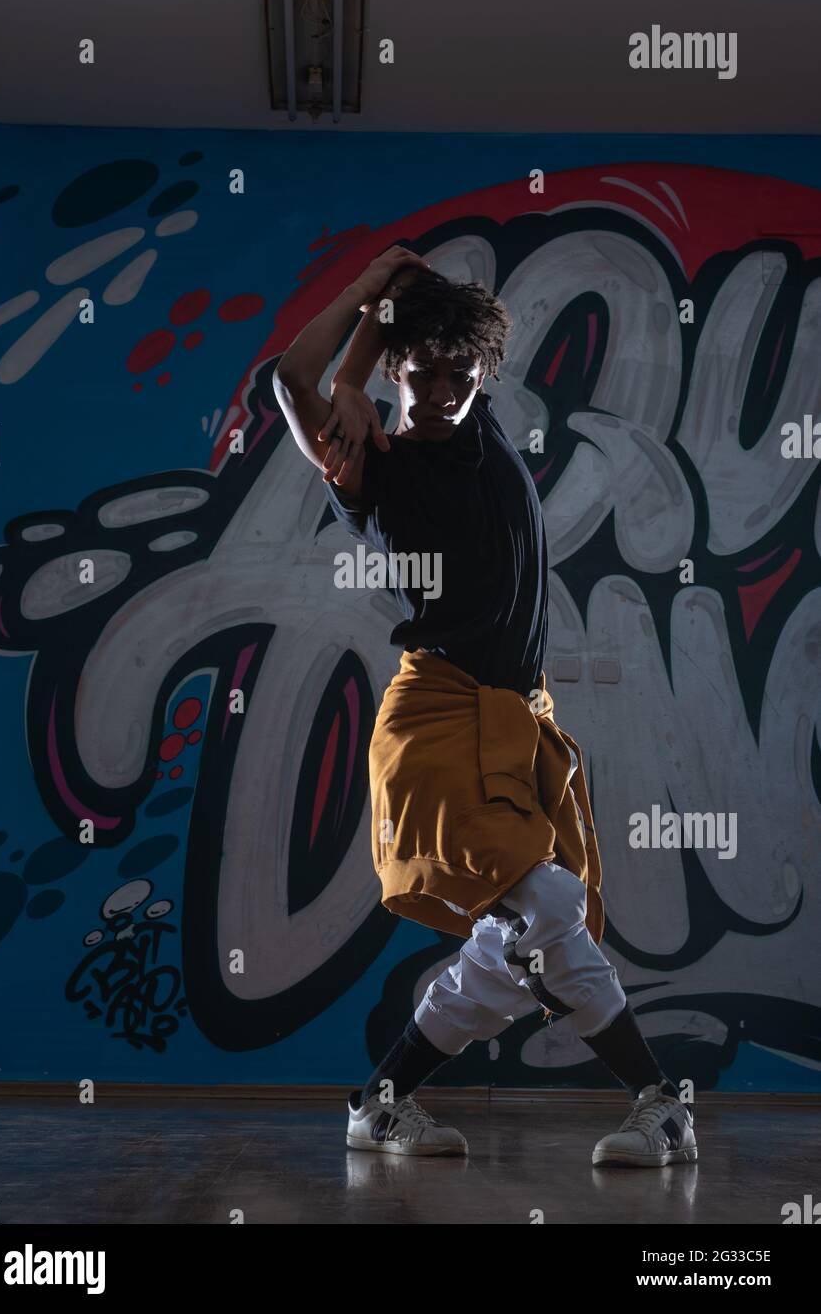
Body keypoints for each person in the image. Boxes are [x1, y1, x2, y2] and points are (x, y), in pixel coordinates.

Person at [273, 245, 697, 1168]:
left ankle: (377, 1107)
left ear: (482, 369)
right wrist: (363, 293)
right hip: (435, 718)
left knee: (514, 950)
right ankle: (661, 1105)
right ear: (396, 372)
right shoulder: (367, 462)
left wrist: (398, 316)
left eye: (456, 369)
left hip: (517, 715)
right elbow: (291, 378)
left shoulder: (478, 425)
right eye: (418, 372)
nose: (437, 388)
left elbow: (429, 345)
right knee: (546, 904)